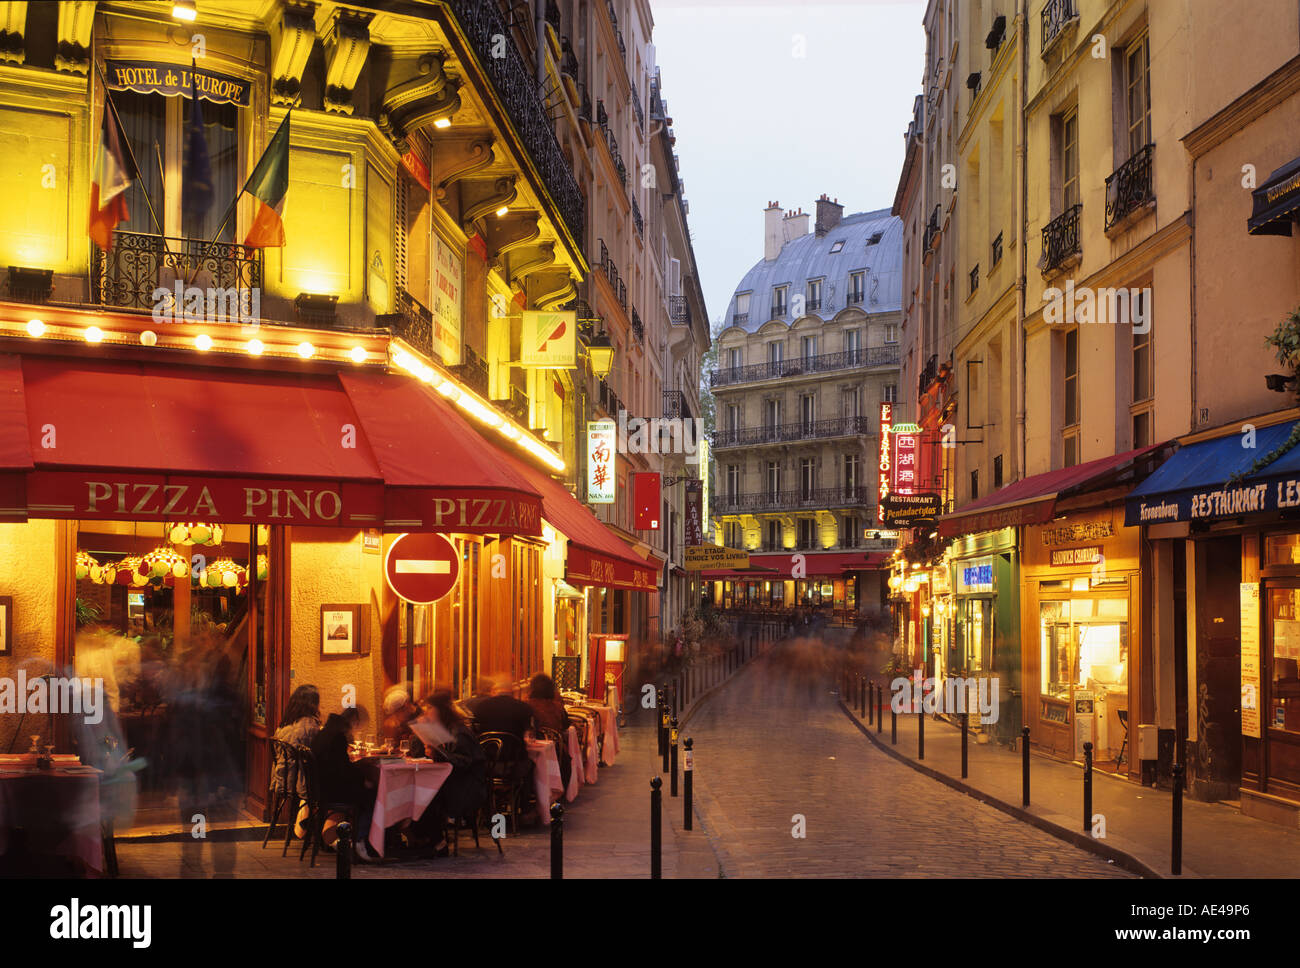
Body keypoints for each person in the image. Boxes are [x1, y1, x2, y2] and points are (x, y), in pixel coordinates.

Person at [413, 691, 490, 854]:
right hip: (455, 782)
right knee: (419, 791)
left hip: (468, 787)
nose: (426, 713)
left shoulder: (459, 731)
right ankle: (424, 839)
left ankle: (437, 842)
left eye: (429, 709)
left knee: (427, 795)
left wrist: (439, 753)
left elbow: (464, 762)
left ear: (440, 710)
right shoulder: (446, 729)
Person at [309, 705, 378, 863]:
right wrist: (363, 779)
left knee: (367, 791)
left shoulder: (325, 732)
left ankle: (357, 839)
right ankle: (360, 841)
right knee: (373, 795)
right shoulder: (338, 737)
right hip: (332, 790)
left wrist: (359, 768)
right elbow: (343, 771)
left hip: (321, 788)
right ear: (353, 722)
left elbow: (340, 766)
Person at [527, 673, 572, 788]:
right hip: (555, 752)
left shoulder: (527, 706)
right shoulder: (557, 706)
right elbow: (566, 725)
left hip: (531, 753)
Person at [468, 678, 536, 740]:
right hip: (516, 750)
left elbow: (474, 730)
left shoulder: (481, 706)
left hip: (486, 750)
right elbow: (530, 731)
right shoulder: (524, 707)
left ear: (493, 691)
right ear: (512, 692)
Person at [380, 685, 426, 758]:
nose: (395, 717)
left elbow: (419, 749)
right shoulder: (402, 722)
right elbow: (399, 744)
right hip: (407, 761)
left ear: (406, 705)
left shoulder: (423, 717)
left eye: (397, 713)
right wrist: (392, 745)